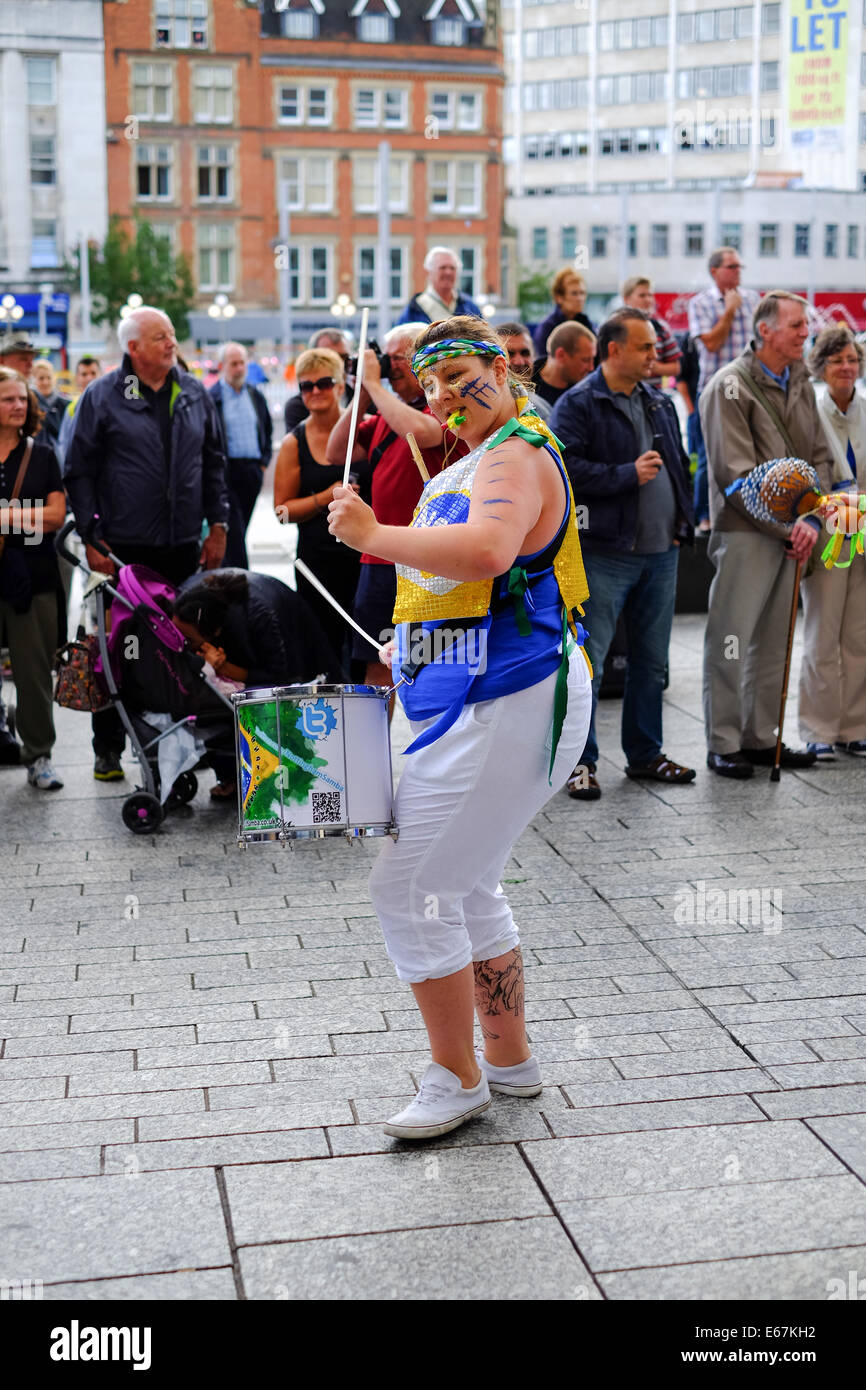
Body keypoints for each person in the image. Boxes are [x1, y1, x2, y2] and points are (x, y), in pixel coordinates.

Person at [326, 315, 593, 1141]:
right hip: (471, 694)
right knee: (467, 879)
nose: (443, 395)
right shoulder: (491, 445)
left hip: (512, 699)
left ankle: (457, 1075)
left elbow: (484, 551)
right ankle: (509, 1059)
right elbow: (456, 582)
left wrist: (372, 534)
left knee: (409, 885)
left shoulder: (514, 450)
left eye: (458, 375)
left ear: (501, 366)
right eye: (429, 383)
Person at [64, 304, 229, 781]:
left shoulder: (194, 392)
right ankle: (108, 747)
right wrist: (91, 537)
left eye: (172, 333)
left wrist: (217, 526)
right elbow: (80, 470)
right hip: (121, 550)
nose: (171, 342)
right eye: (160, 337)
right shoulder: (103, 396)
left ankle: (184, 745)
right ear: (132, 348)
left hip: (182, 545)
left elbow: (214, 462)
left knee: (183, 645)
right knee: (116, 649)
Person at [550, 307, 695, 799]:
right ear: (614, 351)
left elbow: (678, 463)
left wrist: (683, 522)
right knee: (586, 663)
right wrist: (626, 475)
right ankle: (580, 764)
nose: (656, 356)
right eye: (646, 347)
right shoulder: (579, 403)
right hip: (605, 553)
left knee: (651, 663)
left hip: (661, 552)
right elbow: (565, 470)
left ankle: (645, 754)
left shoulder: (659, 401)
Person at [699, 290, 831, 778]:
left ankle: (761, 740)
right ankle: (724, 742)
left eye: (805, 325)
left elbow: (819, 456)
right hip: (746, 533)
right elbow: (736, 477)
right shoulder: (728, 386)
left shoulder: (800, 378)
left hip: (795, 531)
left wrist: (813, 518)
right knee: (732, 639)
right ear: (765, 331)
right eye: (796, 325)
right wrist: (789, 523)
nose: (805, 333)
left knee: (775, 642)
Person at [327, 323, 460, 691]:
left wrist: (374, 385)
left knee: (430, 668)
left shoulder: (445, 406)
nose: (390, 366)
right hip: (379, 559)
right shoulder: (387, 413)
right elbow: (335, 452)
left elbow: (423, 432)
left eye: (398, 357)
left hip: (426, 559)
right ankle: (375, 749)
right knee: (377, 669)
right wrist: (361, 397)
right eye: (388, 358)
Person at [172, 568, 339, 797]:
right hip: (250, 624)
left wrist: (223, 667)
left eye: (189, 640)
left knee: (246, 700)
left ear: (214, 633)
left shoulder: (259, 618)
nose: (182, 644)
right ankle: (230, 776)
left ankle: (272, 777)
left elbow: (276, 678)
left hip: (292, 637)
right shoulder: (188, 603)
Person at [273, 347, 368, 677]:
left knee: (364, 655)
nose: (315, 391)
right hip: (317, 564)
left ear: (341, 385)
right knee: (323, 653)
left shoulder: (366, 429)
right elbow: (282, 513)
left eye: (324, 383)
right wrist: (323, 498)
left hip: (364, 560)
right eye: (306, 386)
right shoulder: (293, 442)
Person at [798, 326, 866, 759]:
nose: (847, 367)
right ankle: (819, 729)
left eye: (853, 360)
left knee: (859, 634)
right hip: (826, 534)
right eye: (838, 359)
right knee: (822, 632)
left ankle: (857, 727)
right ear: (821, 367)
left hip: (865, 534)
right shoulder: (811, 411)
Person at [0, 367, 66, 789]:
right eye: (8, 399)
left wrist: (4, 517)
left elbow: (56, 517)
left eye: (23, 399)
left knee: (34, 672)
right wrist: (28, 517)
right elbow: (41, 516)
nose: (19, 406)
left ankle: (38, 755)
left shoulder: (41, 456)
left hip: (34, 577)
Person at [688, 248, 761, 532]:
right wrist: (730, 310)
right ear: (714, 271)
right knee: (710, 455)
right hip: (715, 391)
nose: (737, 272)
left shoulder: (754, 299)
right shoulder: (701, 303)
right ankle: (704, 517)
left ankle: (750, 510)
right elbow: (711, 344)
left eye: (739, 267)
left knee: (750, 452)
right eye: (731, 267)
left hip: (749, 389)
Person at [209, 342, 273, 569]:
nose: (238, 368)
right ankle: (240, 578)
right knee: (233, 528)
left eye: (242, 363)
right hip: (226, 473)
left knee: (241, 526)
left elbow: (266, 428)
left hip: (252, 471)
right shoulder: (212, 397)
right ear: (221, 366)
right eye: (233, 363)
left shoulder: (255, 395)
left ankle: (229, 574)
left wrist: (263, 462)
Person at [284, 329, 352, 434]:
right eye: (327, 358)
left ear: (340, 388)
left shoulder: (361, 396)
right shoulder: (297, 407)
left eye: (344, 358)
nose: (339, 363)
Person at [621, 276, 682, 390]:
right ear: (627, 299)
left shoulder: (661, 328)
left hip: (653, 395)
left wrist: (654, 366)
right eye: (642, 295)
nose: (648, 300)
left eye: (650, 295)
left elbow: (676, 368)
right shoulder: (616, 327)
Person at [397, 247, 481, 325]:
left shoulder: (469, 306)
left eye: (452, 268)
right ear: (429, 272)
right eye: (442, 267)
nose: (448, 272)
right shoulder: (414, 310)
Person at [532, 321, 597, 409]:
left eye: (593, 359)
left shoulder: (588, 390)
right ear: (561, 355)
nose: (591, 368)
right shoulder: (524, 388)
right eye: (585, 360)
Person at [532, 268, 595, 358]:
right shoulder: (547, 328)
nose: (580, 298)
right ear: (559, 298)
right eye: (574, 293)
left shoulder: (587, 324)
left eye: (582, 293)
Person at [495, 321, 551, 421]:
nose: (519, 362)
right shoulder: (484, 410)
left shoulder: (543, 409)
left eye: (525, 353)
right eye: (509, 354)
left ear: (534, 356)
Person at [58, 357, 101, 467]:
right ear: (77, 378)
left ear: (100, 374)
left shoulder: (111, 404)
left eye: (93, 373)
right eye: (84, 374)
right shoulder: (72, 409)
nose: (89, 378)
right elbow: (64, 444)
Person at [30, 359, 70, 455]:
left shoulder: (65, 404)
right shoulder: (28, 403)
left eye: (49, 378)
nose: (45, 382)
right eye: (41, 378)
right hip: (35, 455)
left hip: (60, 455)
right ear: (34, 380)